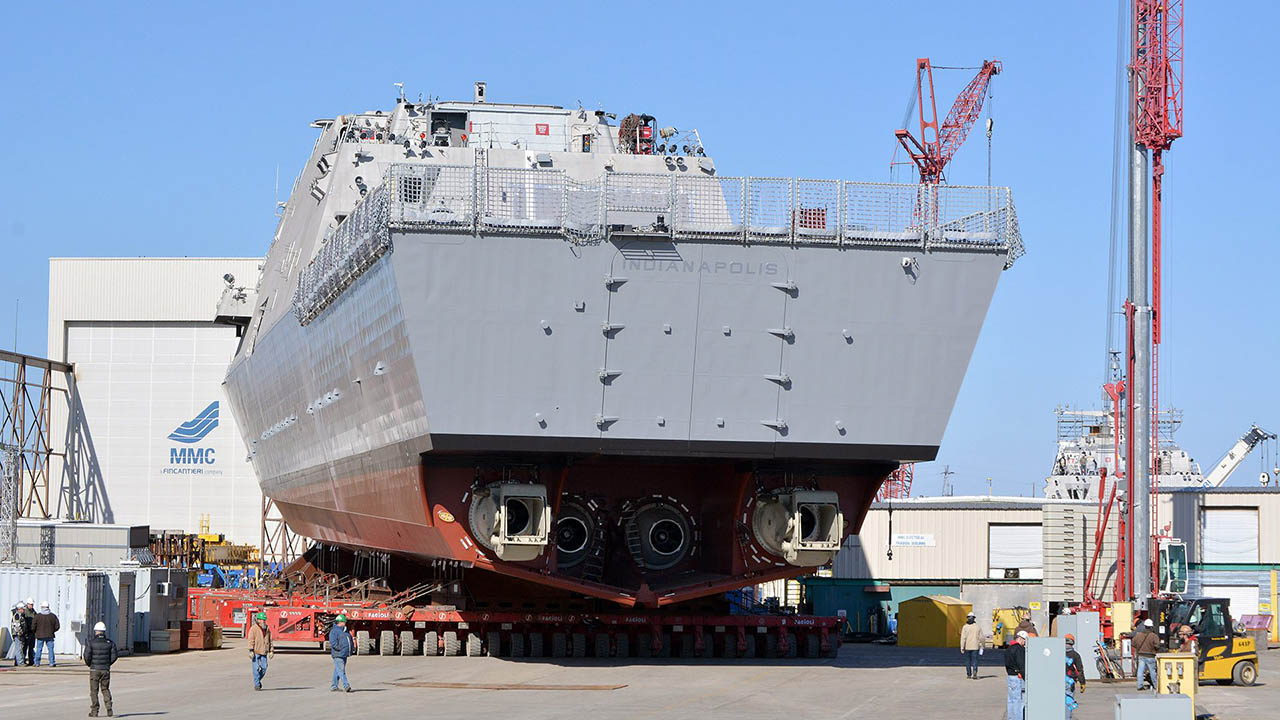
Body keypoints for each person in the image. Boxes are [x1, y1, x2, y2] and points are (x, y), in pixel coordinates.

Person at [84, 621, 118, 717]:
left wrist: (90, 664)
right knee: (105, 688)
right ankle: (108, 706)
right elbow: (114, 656)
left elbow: (86, 656)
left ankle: (94, 711)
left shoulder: (91, 643)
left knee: (94, 691)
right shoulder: (110, 643)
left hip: (94, 669)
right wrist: (107, 664)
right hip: (105, 669)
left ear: (96, 631)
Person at [1132, 618, 1161, 691]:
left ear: (1144, 626)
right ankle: (1155, 686)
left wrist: (1139, 648)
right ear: (1151, 627)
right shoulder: (1154, 636)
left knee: (1140, 671)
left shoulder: (1138, 635)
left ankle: (1140, 685)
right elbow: (1157, 646)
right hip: (1151, 656)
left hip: (1141, 655)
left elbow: (1133, 643)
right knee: (1152, 671)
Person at [1004, 630, 1028, 720]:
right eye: (1024, 641)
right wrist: (1026, 678)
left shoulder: (1009, 648)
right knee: (1018, 701)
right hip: (1017, 677)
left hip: (1010, 676)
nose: (1024, 643)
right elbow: (1022, 665)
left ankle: (1011, 718)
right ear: (1021, 639)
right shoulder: (1019, 650)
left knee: (1011, 700)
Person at [247, 611, 274, 690]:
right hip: (256, 652)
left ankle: (257, 680)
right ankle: (257, 684)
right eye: (262, 620)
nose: (264, 621)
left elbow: (270, 640)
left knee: (264, 667)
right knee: (255, 669)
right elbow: (251, 640)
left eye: (265, 620)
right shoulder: (253, 629)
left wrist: (271, 650)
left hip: (264, 652)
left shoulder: (267, 629)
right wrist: (251, 650)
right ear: (258, 620)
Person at [328, 614, 353, 692]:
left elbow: (350, 640)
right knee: (341, 670)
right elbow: (333, 642)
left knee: (338, 670)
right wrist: (339, 648)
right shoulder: (334, 631)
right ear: (340, 622)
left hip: (344, 653)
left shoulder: (345, 630)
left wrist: (352, 649)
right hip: (338, 654)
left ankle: (334, 686)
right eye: (344, 622)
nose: (345, 623)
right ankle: (346, 685)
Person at [1064, 634, 1086, 719]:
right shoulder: (1075, 655)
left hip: (1057, 682)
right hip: (1069, 682)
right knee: (1068, 703)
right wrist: (1082, 683)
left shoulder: (1057, 653)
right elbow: (1080, 670)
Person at [33, 601, 60, 667]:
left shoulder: (38, 616)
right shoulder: (53, 616)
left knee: (39, 649)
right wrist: (52, 631)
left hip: (40, 636)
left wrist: (36, 632)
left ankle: (37, 663)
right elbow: (57, 626)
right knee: (50, 650)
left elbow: (33, 626)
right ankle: (52, 662)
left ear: (42, 607)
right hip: (50, 635)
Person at [960, 611, 983, 679]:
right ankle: (975, 671)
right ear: (974, 618)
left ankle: (969, 674)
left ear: (967, 618)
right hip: (975, 647)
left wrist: (962, 647)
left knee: (968, 661)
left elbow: (963, 638)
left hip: (967, 647)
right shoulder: (978, 627)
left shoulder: (965, 627)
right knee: (975, 660)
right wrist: (982, 645)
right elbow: (981, 638)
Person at [21, 597, 36, 666]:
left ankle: (31, 661)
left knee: (31, 648)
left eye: (32, 604)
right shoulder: (24, 612)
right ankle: (22, 660)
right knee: (24, 647)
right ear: (27, 604)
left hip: (32, 632)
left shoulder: (34, 612)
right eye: (30, 604)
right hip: (26, 633)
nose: (31, 606)